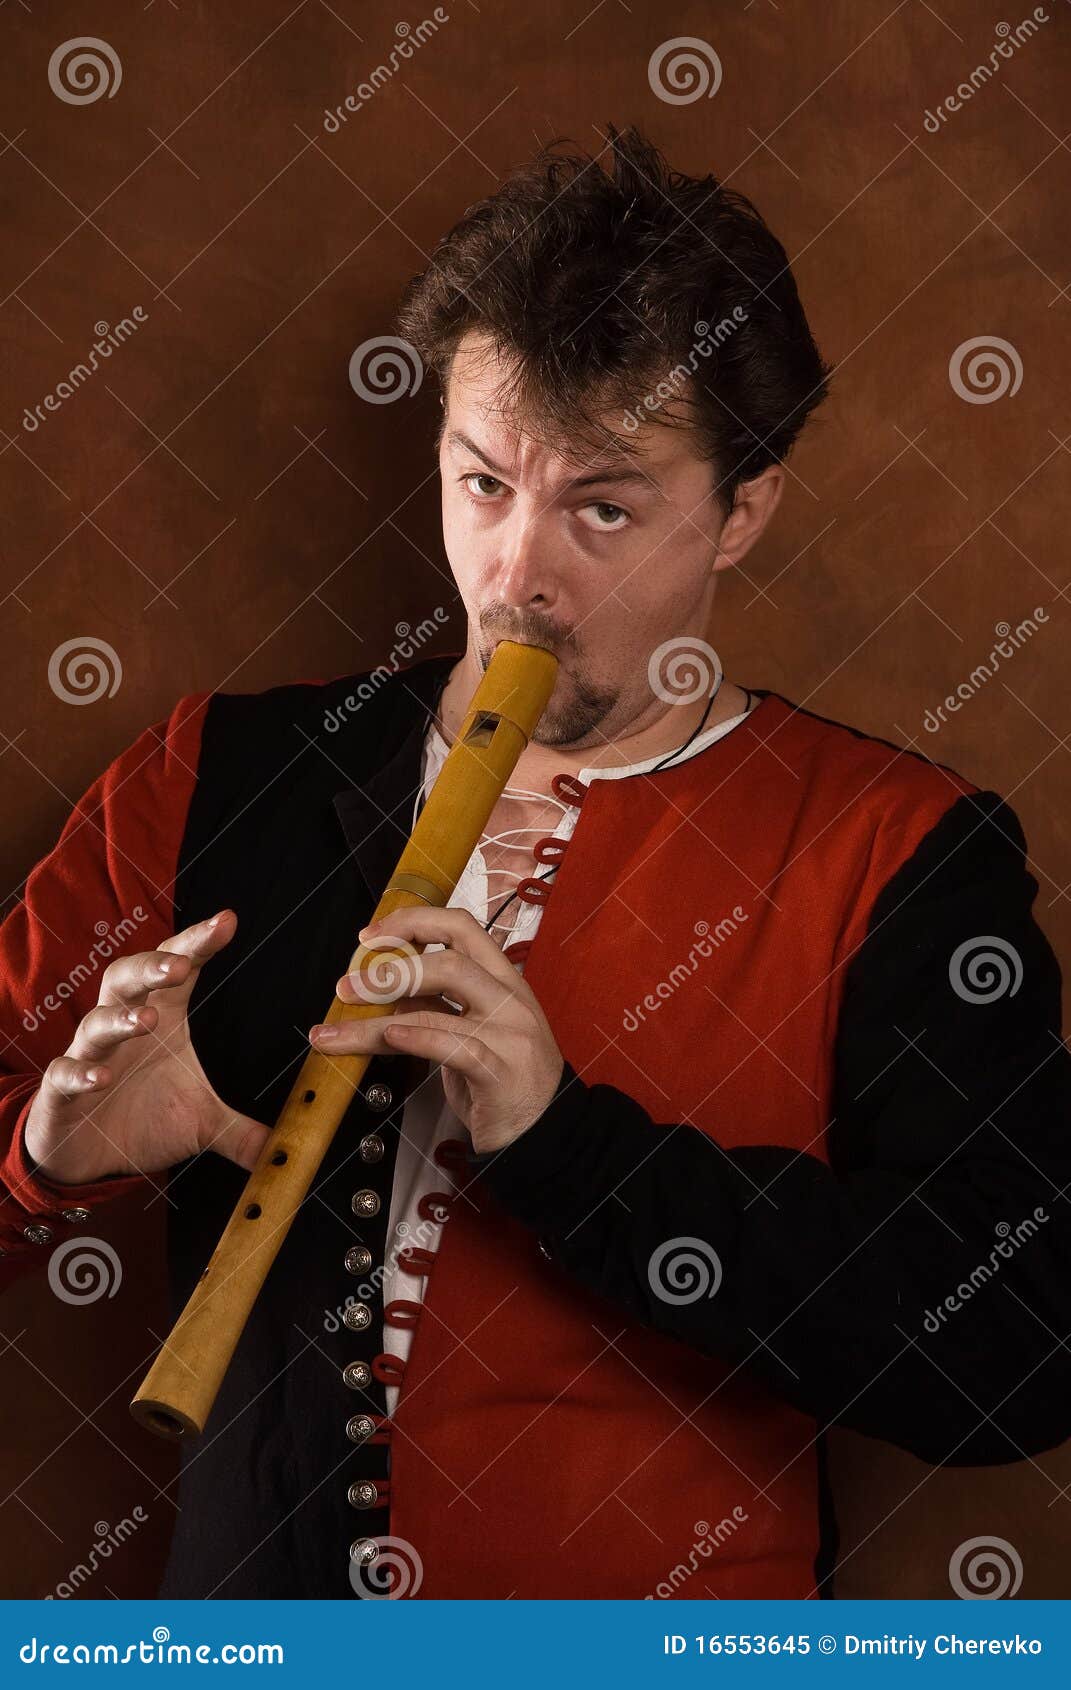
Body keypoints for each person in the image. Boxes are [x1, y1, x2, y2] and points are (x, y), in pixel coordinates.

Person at [2, 124, 1069, 1602]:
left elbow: (1017, 1345)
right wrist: (44, 1162)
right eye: (483, 483)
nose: (516, 578)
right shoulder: (212, 774)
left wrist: (569, 1149)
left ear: (744, 510)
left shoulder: (897, 847)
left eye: (603, 508)